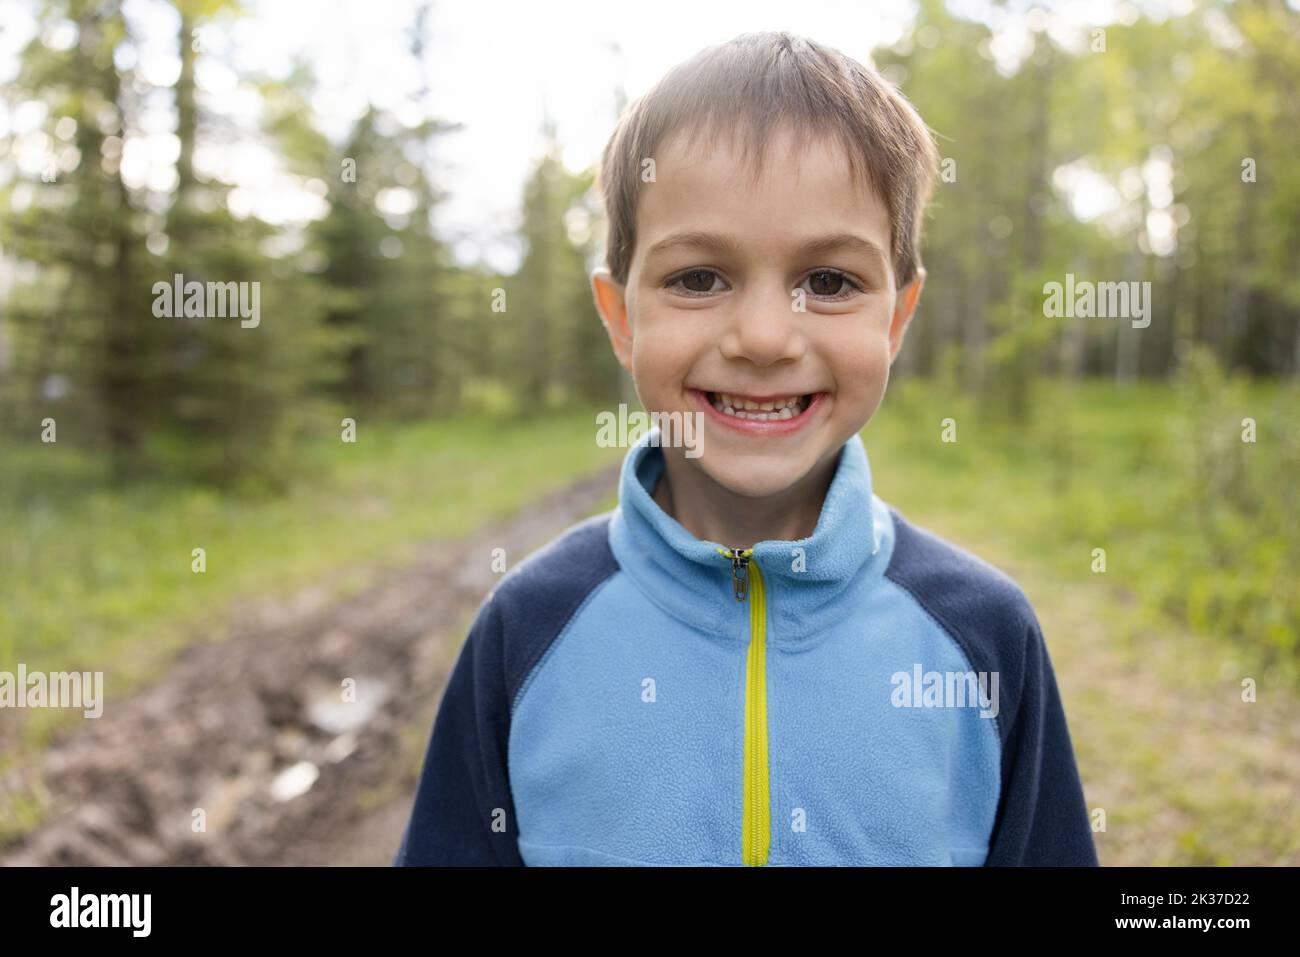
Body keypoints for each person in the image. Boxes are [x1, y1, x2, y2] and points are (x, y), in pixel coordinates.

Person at [394, 31, 1098, 866]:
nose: (765, 337)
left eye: (830, 282)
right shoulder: (528, 629)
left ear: (897, 317)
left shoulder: (981, 635)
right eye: (698, 278)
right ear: (621, 319)